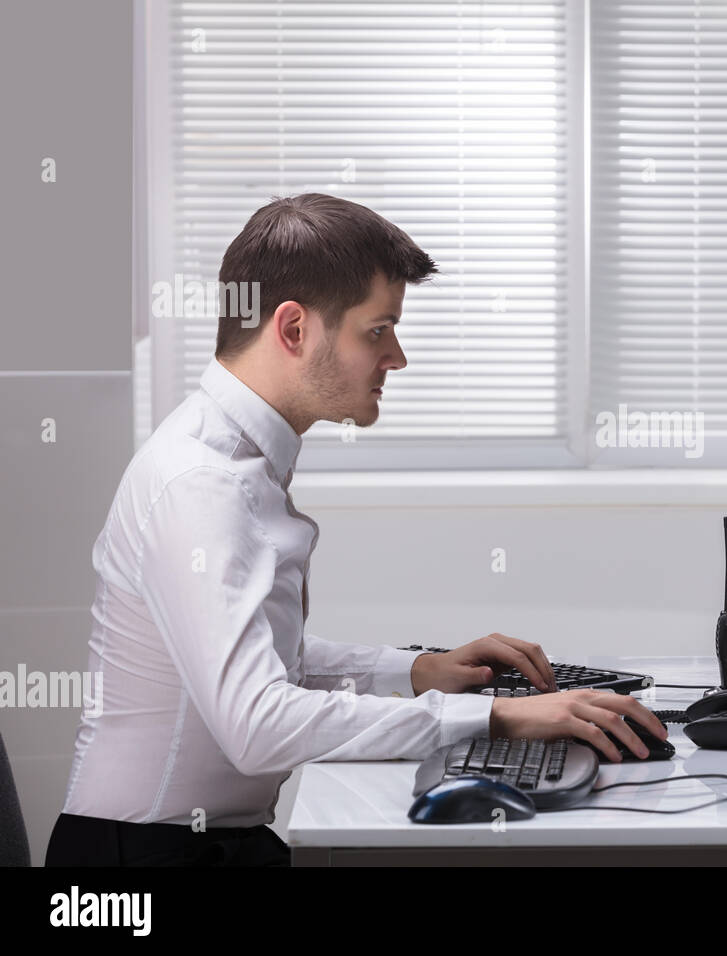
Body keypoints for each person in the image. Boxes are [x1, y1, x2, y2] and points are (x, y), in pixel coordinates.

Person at [46, 194, 665, 867]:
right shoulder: (204, 485)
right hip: (139, 864)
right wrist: (494, 717)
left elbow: (263, 663)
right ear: (292, 329)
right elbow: (256, 723)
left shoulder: (231, 459)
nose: (396, 357)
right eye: (377, 331)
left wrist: (418, 671)